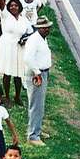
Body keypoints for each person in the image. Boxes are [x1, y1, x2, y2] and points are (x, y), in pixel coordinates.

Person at [23, 16, 53, 146]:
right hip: (37, 74)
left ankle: (37, 129)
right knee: (36, 105)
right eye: (44, 27)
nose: (47, 29)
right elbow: (28, 59)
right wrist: (37, 73)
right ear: (38, 28)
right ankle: (33, 136)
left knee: (40, 104)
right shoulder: (34, 40)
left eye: (48, 27)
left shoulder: (42, 39)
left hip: (43, 72)